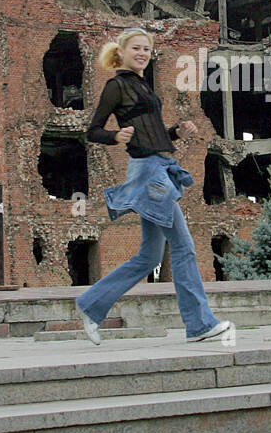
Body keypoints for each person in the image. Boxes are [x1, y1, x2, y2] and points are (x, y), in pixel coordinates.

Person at [76, 28, 233, 345]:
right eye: (136, 48)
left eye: (147, 49)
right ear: (121, 52)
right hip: (149, 173)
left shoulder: (141, 85)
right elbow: (92, 130)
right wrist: (114, 137)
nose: (143, 53)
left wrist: (176, 131)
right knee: (184, 247)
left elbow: (152, 133)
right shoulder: (116, 85)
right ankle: (200, 324)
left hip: (157, 166)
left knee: (149, 257)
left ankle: (91, 305)